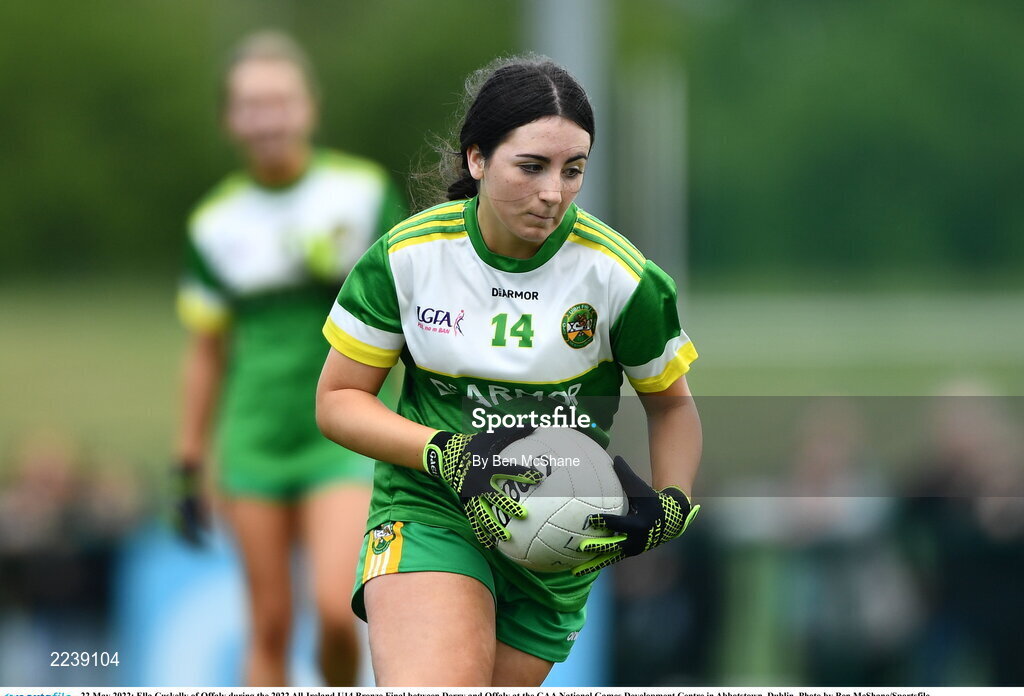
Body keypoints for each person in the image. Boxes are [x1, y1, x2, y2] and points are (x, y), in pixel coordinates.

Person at [315, 55, 701, 687]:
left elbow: (673, 406)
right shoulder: (409, 257)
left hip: (555, 544)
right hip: (431, 511)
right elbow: (337, 400)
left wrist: (673, 502)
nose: (553, 192)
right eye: (531, 167)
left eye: (572, 170)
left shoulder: (621, 279)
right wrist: (451, 455)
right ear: (476, 159)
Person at [172, 31, 405, 687]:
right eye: (251, 104)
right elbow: (206, 352)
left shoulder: (361, 193)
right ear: (230, 118)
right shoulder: (213, 222)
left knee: (337, 611)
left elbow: (407, 313)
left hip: (340, 429)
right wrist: (189, 461)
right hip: (255, 437)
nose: (267, 117)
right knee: (269, 625)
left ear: (309, 108)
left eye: (280, 101)